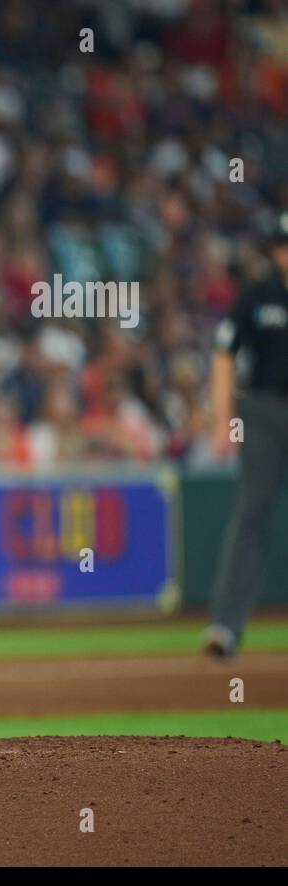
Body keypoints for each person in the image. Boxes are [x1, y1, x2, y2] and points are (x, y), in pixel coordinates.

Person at [203, 212, 288, 658]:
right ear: (275, 251)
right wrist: (223, 422)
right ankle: (225, 626)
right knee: (252, 516)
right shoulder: (258, 296)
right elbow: (223, 355)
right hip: (265, 411)